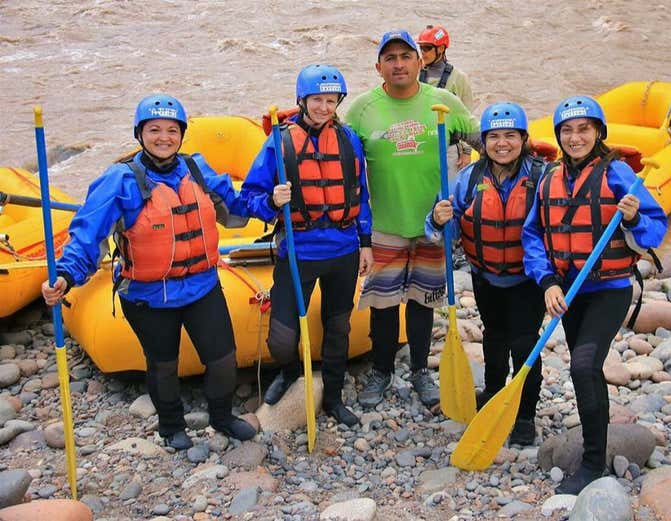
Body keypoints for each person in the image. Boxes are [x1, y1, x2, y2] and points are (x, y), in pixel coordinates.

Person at [41, 94, 257, 450]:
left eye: (172, 130)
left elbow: (238, 206)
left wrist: (275, 202)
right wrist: (65, 275)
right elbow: (86, 235)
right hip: (147, 296)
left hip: (202, 286)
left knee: (223, 359)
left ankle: (222, 416)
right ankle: (171, 425)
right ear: (139, 134)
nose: (163, 137)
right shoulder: (118, 180)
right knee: (163, 365)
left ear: (182, 135)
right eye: (154, 129)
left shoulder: (196, 168)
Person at [522, 95, 668, 494]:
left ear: (598, 132)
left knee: (584, 366)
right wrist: (547, 281)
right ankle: (595, 445)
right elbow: (533, 234)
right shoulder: (549, 177)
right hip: (569, 291)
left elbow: (656, 228)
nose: (575, 137)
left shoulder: (618, 173)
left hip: (609, 288)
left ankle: (592, 464)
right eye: (567, 130)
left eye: (583, 129)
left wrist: (636, 216)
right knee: (586, 369)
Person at [345, 30, 481, 409]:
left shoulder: (444, 102)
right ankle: (382, 370)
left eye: (406, 56)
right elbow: (336, 154)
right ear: (378, 67)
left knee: (423, 302)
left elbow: (486, 144)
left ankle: (421, 369)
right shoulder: (361, 109)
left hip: (434, 223)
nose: (399, 64)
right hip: (385, 225)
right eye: (390, 58)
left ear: (420, 62)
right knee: (383, 304)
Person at [240, 65, 372, 427]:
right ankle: (289, 371)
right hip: (298, 250)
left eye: (331, 101)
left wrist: (365, 242)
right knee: (282, 338)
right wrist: (271, 201)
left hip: (343, 249)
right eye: (317, 100)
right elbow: (249, 196)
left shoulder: (349, 140)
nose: (324, 107)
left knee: (338, 327)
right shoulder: (279, 141)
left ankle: (332, 396)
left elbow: (361, 195)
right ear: (302, 100)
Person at [426, 102, 547, 445]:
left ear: (524, 139)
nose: (502, 143)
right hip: (485, 275)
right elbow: (438, 228)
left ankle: (524, 415)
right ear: (485, 141)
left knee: (524, 345)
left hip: (528, 279)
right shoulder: (468, 179)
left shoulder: (541, 177)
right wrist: (438, 218)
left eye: (511, 135)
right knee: (494, 338)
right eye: (494, 136)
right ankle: (493, 394)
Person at [417, 25, 476, 176]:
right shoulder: (414, 74)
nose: (423, 53)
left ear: (441, 49)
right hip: (420, 147)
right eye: (421, 48)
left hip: (449, 149)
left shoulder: (459, 78)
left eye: (427, 48)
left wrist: (466, 151)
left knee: (449, 195)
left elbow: (467, 115)